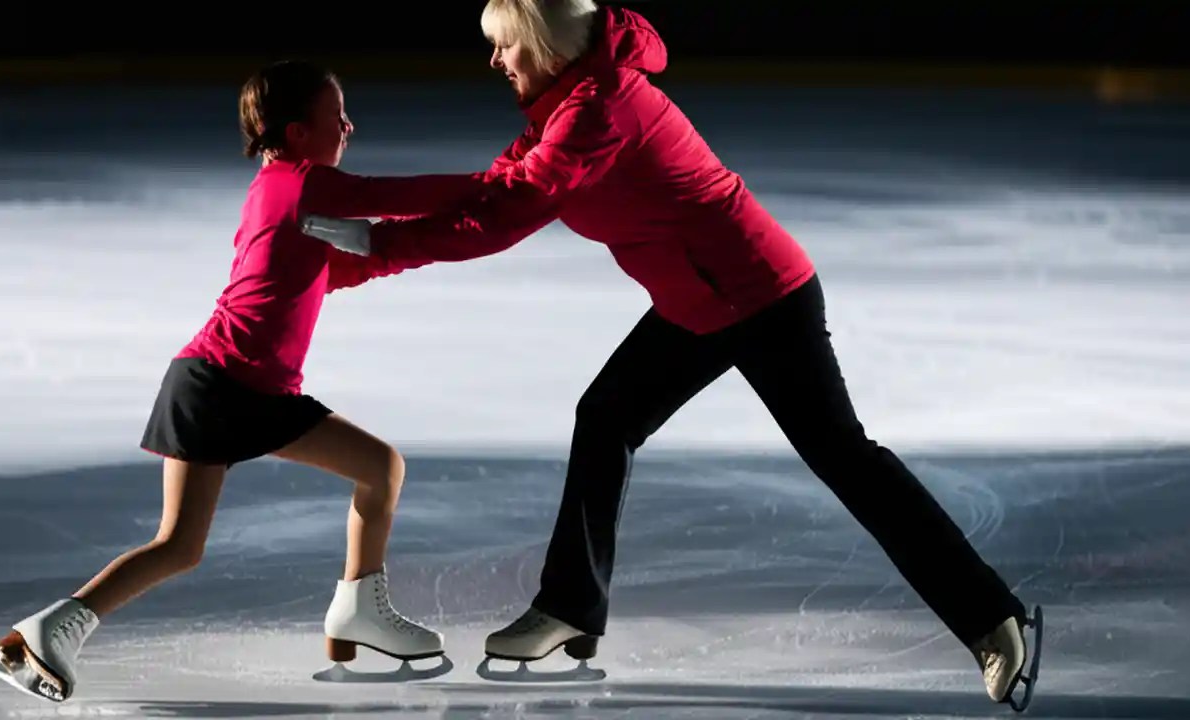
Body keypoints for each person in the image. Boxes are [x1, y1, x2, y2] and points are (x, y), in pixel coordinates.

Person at [306, 0, 1041, 707]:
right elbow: (491, 187)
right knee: (606, 418)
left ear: (549, 44)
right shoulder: (563, 106)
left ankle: (992, 620)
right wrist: (359, 239)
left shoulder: (599, 110)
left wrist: (376, 239)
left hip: (761, 296)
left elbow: (509, 212)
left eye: (506, 43)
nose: (494, 58)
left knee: (844, 458)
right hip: (697, 304)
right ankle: (568, 611)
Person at [0, 59, 483, 703]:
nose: (349, 126)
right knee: (376, 469)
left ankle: (44, 631)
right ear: (299, 133)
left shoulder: (277, 190)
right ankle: (359, 610)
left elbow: (330, 272)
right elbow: (397, 196)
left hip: (218, 382)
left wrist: (399, 254)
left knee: (183, 544)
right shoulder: (305, 183)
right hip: (227, 385)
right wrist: (499, 184)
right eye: (337, 117)